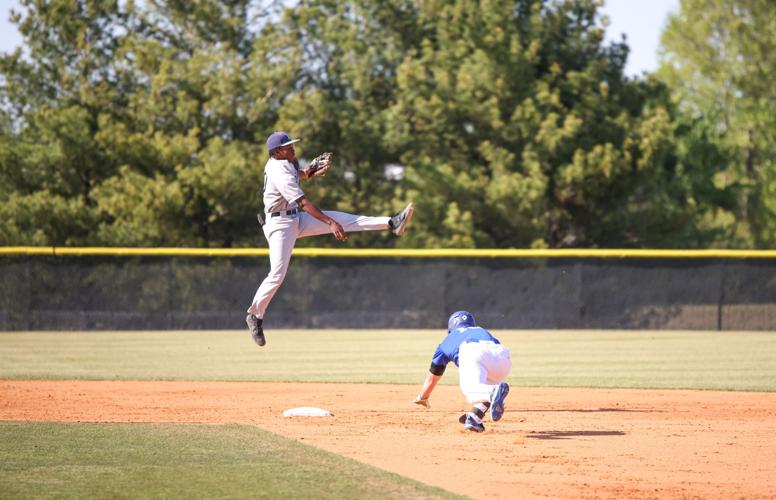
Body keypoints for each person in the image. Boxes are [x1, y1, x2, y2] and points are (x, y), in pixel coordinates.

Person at [245, 131, 415, 347]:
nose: (293, 148)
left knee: (346, 220)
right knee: (277, 273)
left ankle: (392, 222)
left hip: (294, 218)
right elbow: (304, 203)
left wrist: (309, 172)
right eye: (288, 146)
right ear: (277, 152)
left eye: (291, 145)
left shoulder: (286, 161)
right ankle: (255, 315)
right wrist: (329, 223)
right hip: (279, 225)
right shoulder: (278, 171)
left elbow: (299, 174)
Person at [413, 310, 511, 433]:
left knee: (470, 389)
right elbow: (491, 354)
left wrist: (423, 397)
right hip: (503, 359)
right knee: (482, 387)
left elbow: (432, 378)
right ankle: (474, 418)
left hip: (472, 351)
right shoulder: (481, 330)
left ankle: (493, 391)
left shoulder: (446, 341)